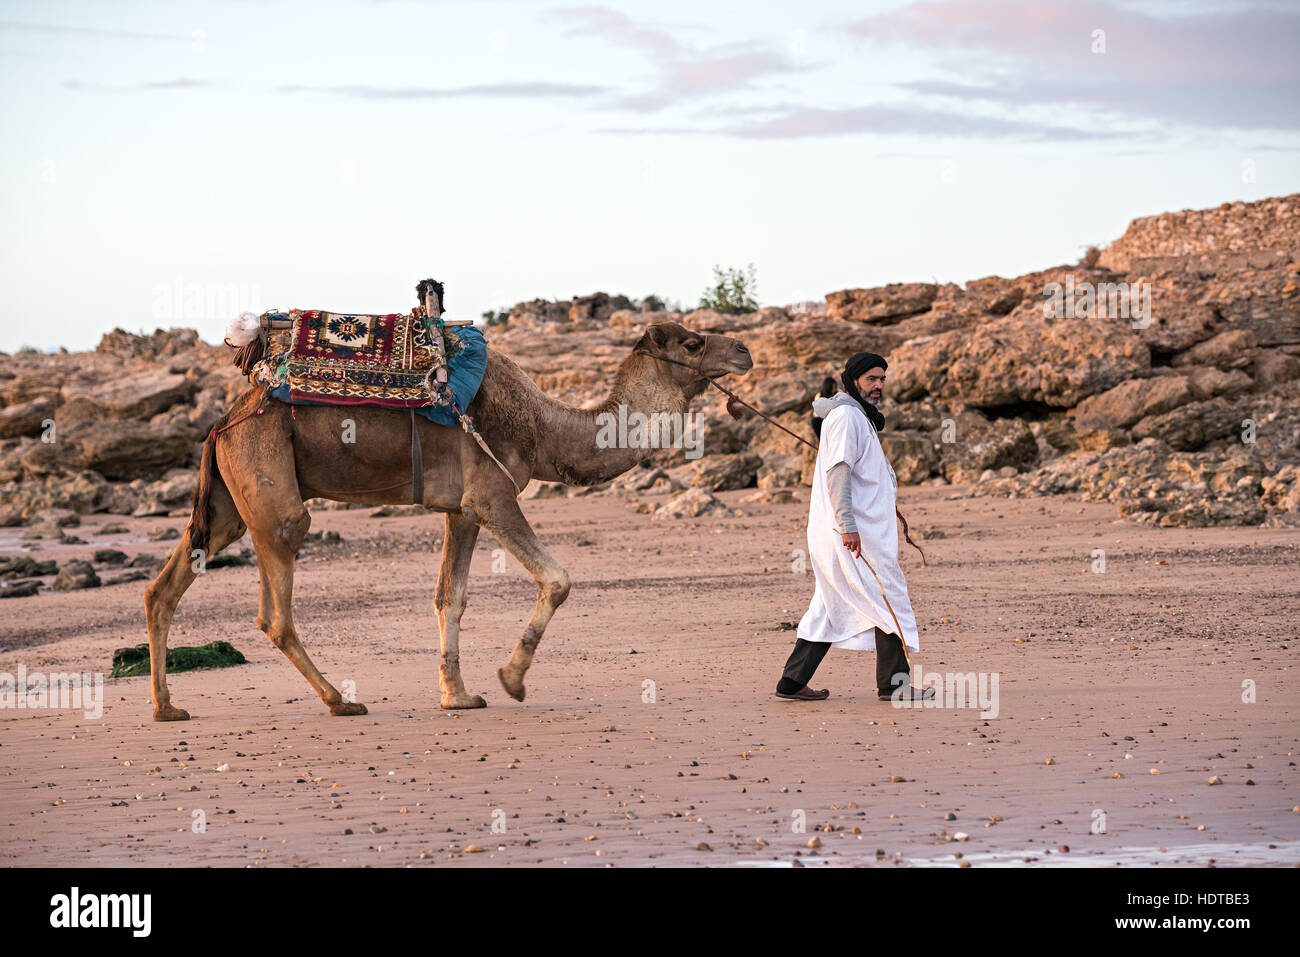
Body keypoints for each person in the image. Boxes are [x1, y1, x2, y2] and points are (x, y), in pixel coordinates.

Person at [776, 351, 934, 703]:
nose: (878, 386)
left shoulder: (853, 416)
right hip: (853, 534)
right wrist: (848, 526)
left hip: (849, 532)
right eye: (871, 379)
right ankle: (896, 686)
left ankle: (792, 682)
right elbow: (838, 474)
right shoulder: (847, 416)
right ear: (853, 380)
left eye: (882, 379)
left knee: (829, 606)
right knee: (888, 598)